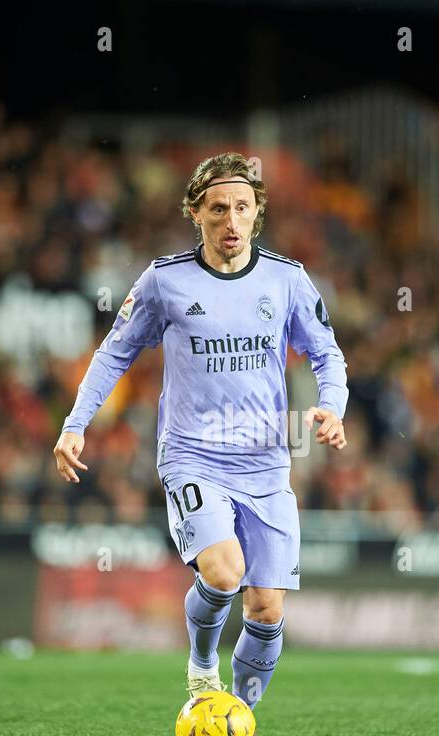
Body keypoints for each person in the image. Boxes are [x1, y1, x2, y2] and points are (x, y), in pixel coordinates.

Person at [54, 152, 348, 707]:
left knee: (266, 608)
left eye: (242, 207)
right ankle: (201, 665)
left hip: (266, 460)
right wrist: (76, 424)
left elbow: (327, 354)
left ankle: (238, 713)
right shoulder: (165, 281)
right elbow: (114, 354)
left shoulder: (287, 279)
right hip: (192, 454)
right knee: (223, 571)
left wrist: (332, 407)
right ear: (196, 212)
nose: (231, 221)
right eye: (218, 209)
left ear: (258, 211)